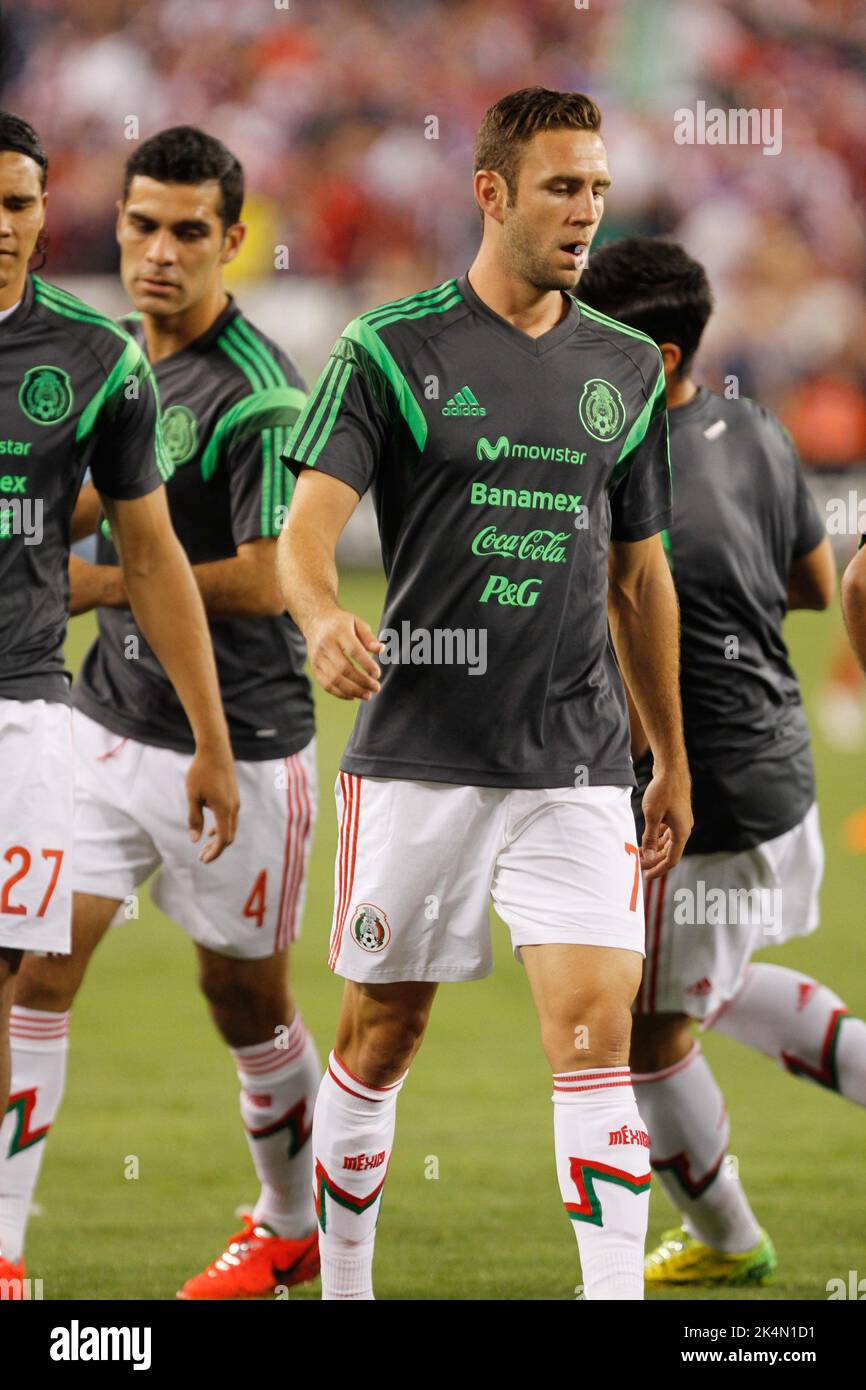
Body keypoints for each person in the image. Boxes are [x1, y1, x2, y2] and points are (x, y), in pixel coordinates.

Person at [278, 87, 692, 1301]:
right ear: (492, 193)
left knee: (592, 1030)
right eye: (561, 188)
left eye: (599, 189)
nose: (585, 212)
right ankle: (346, 1285)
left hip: (572, 763)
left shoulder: (622, 365)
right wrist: (319, 618)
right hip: (416, 758)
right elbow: (307, 531)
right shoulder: (389, 349)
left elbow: (637, 576)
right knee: (378, 1035)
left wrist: (664, 752)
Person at [0, 127, 320, 1300]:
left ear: (234, 242)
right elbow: (86, 491)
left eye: (191, 231)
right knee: (36, 970)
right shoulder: (110, 365)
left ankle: (289, 1220)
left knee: (244, 997)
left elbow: (269, 571)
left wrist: (80, 578)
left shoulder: (261, 393)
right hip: (94, 720)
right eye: (141, 226)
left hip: (239, 738)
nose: (159, 253)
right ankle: (7, 1252)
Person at [581, 235, 866, 1288]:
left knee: (647, 1037)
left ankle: (726, 1240)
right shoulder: (753, 428)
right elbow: (807, 580)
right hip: (775, 769)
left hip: (706, 797)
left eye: (593, 338)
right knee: (714, 977)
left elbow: (620, 610)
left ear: (652, 359)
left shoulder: (632, 477)